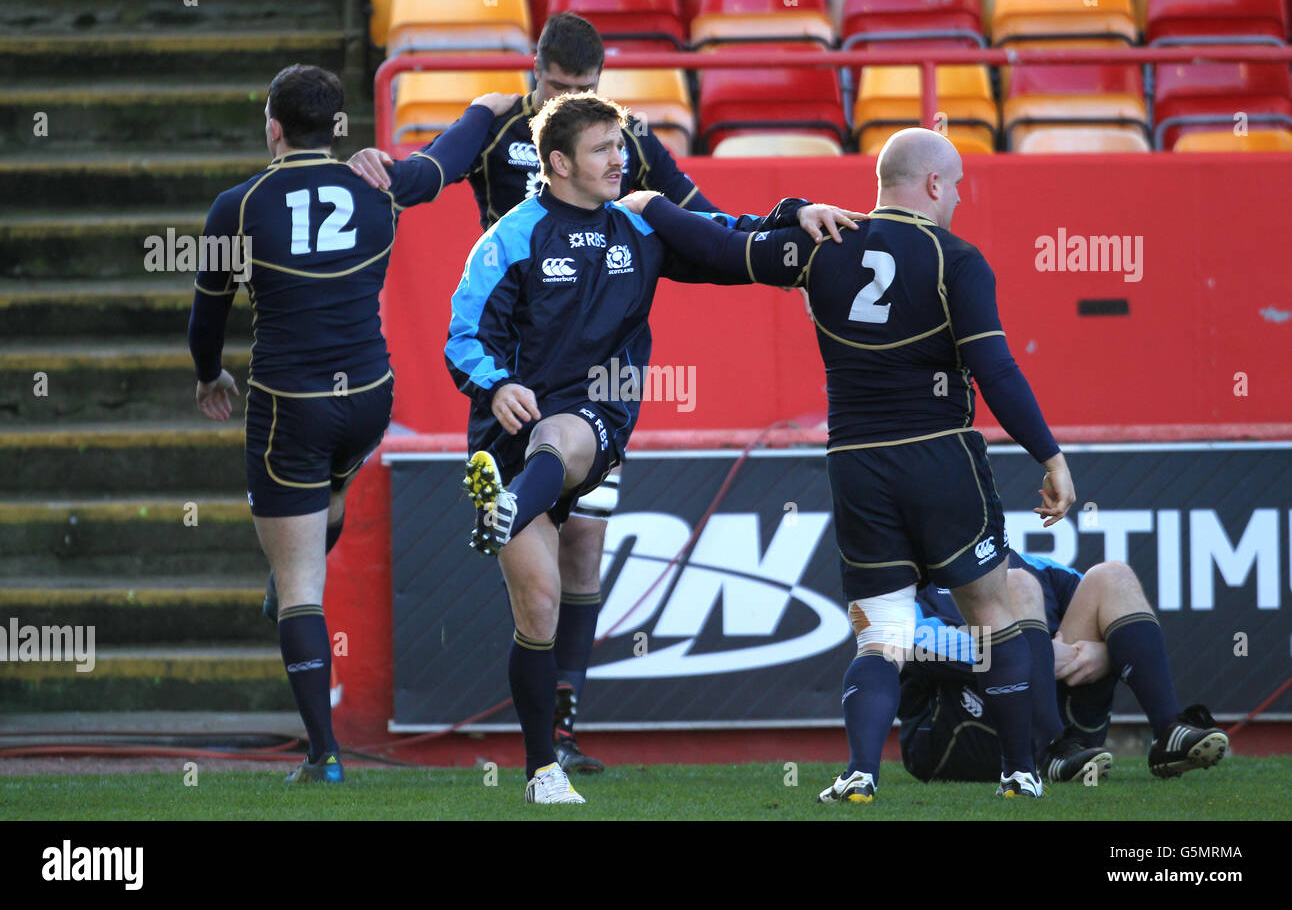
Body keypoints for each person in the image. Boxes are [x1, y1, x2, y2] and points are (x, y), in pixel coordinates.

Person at [618, 127, 1084, 802]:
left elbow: (715, 249)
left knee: (881, 635)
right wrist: (1051, 455)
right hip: (939, 455)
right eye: (953, 184)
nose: (956, 196)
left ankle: (860, 772)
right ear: (931, 184)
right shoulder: (957, 257)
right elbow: (997, 370)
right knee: (992, 612)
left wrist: (648, 205)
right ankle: (1019, 773)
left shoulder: (822, 242)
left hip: (856, 465)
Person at [446, 92, 860, 803]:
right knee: (539, 608)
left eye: (620, 145)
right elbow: (463, 337)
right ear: (557, 163)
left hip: (595, 415)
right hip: (506, 431)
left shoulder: (642, 227)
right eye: (603, 148)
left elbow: (733, 239)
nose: (620, 159)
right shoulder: (508, 239)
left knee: (565, 433)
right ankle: (543, 770)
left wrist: (797, 213)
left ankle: (507, 508)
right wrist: (492, 385)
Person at [349, 12, 733, 775]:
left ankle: (560, 730)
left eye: (587, 88)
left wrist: (774, 234)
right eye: (560, 86)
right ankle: (541, 746)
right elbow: (432, 172)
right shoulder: (496, 117)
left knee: (584, 548)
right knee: (540, 579)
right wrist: (386, 169)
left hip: (593, 362)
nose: (574, 96)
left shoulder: (615, 135)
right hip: (513, 351)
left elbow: (699, 217)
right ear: (536, 70)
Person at [188, 63, 518, 783]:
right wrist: (490, 104)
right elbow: (451, 159)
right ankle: (306, 545)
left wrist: (210, 373)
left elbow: (205, 319)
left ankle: (323, 755)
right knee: (328, 492)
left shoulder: (236, 207)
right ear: (336, 127)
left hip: (289, 405)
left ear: (273, 126)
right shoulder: (381, 184)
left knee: (303, 588)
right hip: (370, 396)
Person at [900, 551, 1230, 782]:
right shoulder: (911, 581)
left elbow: (1129, 635)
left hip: (1070, 736)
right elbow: (914, 647)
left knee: (1112, 575)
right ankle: (1049, 748)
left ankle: (1169, 733)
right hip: (958, 742)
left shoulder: (1036, 567)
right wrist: (1029, 653)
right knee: (1016, 585)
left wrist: (1105, 654)